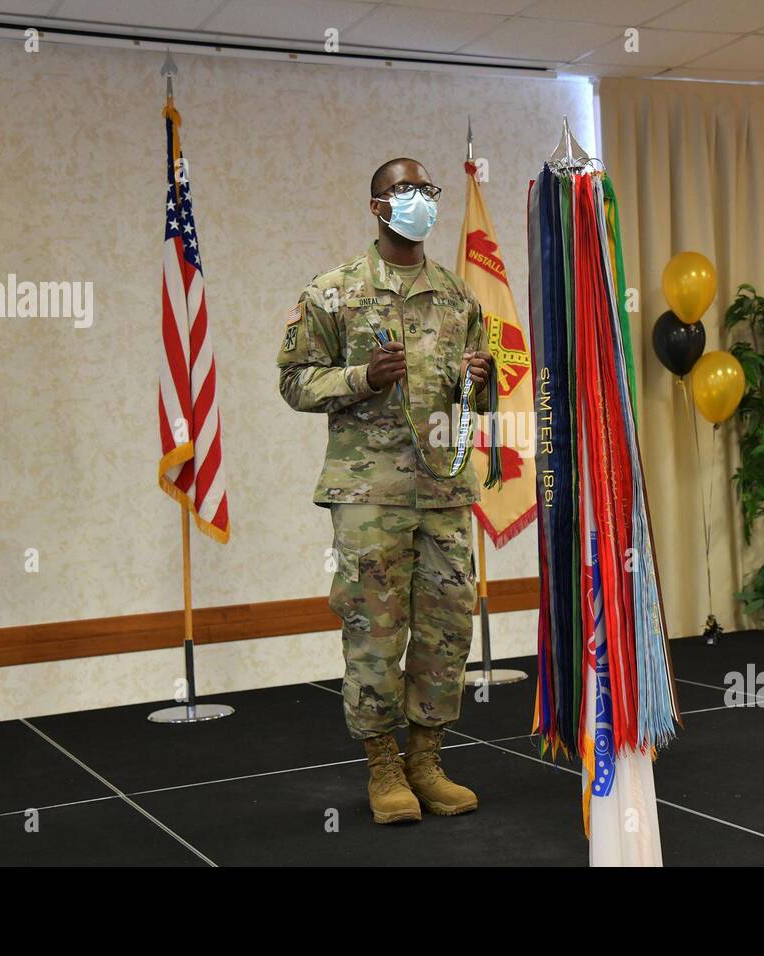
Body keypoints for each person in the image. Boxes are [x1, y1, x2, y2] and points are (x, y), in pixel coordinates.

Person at [277, 157, 492, 824]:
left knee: (447, 631)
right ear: (377, 206)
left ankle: (427, 760)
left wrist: (481, 381)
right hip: (369, 493)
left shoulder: (458, 297)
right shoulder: (334, 291)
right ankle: (383, 767)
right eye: (406, 190)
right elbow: (294, 381)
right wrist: (361, 378)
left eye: (427, 190)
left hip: (444, 493)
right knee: (375, 634)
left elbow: (477, 397)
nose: (421, 200)